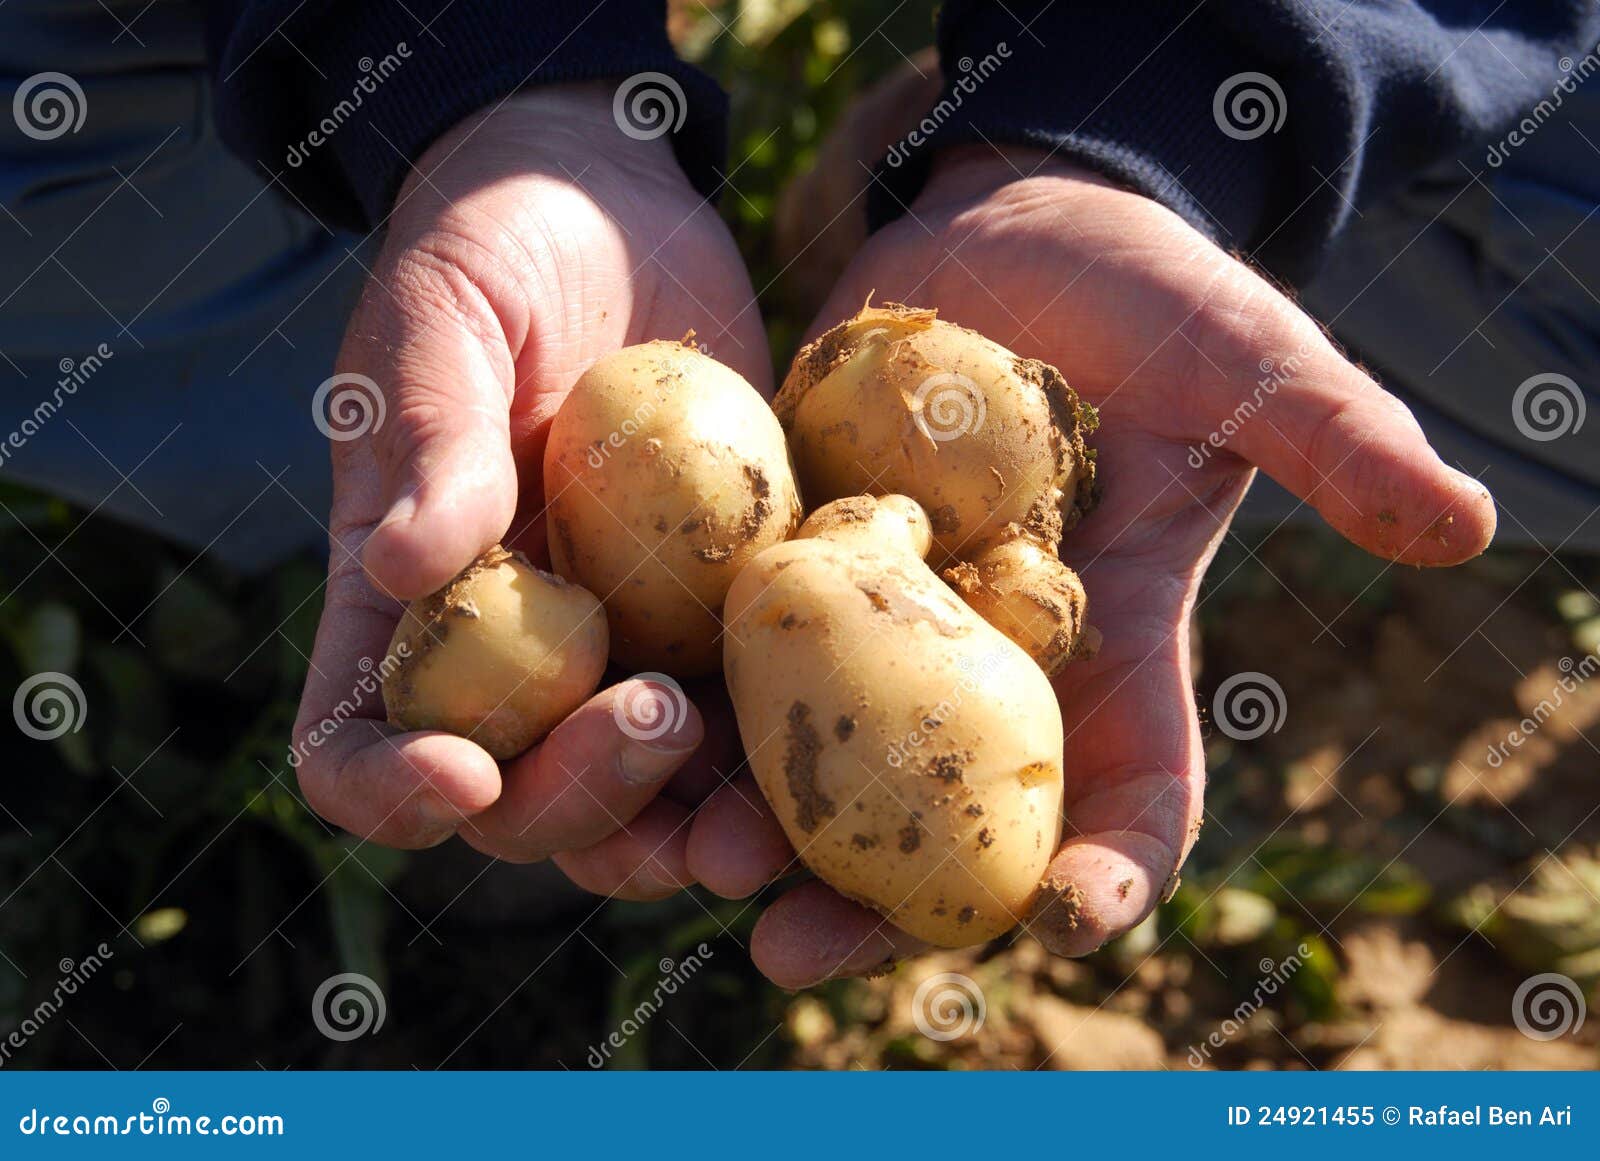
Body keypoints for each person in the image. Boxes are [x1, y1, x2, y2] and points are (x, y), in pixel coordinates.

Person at [2, 1, 1595, 990]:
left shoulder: (851, 567)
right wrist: (479, 90)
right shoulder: (807, 572)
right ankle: (353, 370)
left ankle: (984, 135)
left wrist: (1146, 116)